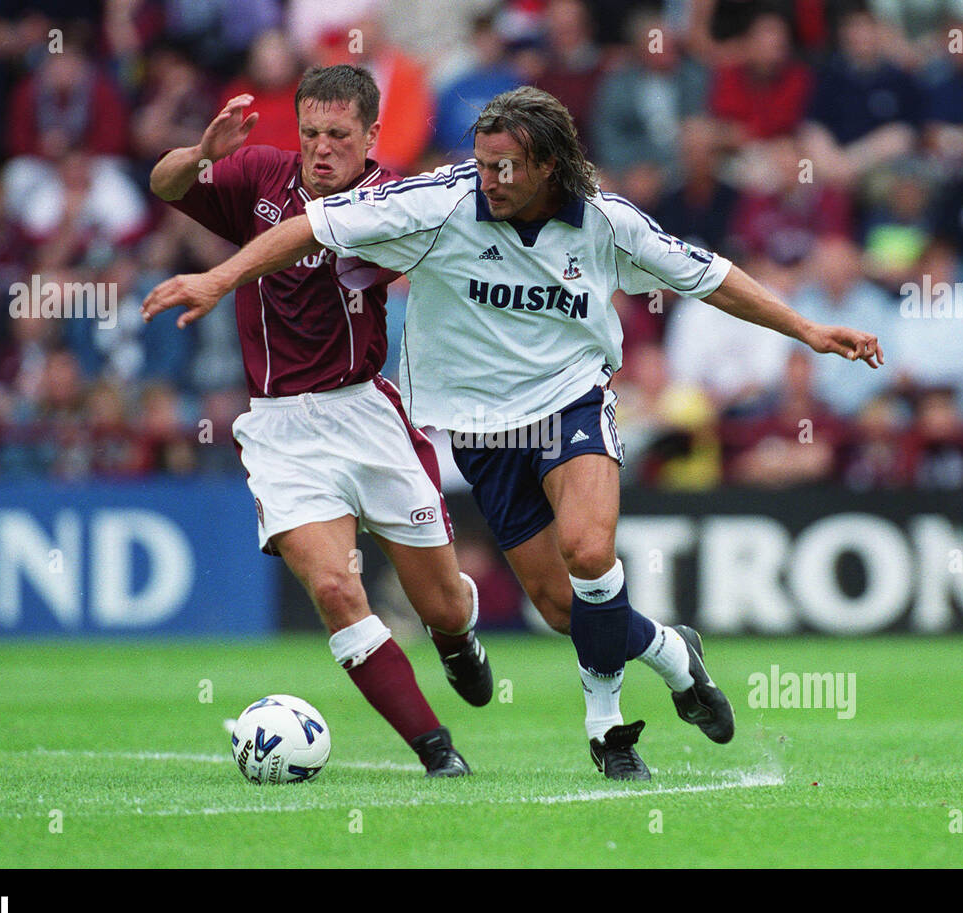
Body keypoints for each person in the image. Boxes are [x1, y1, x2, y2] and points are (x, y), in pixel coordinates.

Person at [142, 86, 883, 780]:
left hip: (571, 401)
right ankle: (671, 651)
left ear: (547, 166)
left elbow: (710, 274)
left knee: (591, 552)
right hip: (480, 428)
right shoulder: (438, 203)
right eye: (483, 160)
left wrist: (808, 328)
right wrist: (219, 279)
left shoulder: (606, 221)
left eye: (505, 166)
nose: (488, 177)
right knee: (563, 607)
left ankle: (604, 725)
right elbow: (312, 225)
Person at [148, 64, 491, 778]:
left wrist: (219, 277)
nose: (321, 147)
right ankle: (436, 752)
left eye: (338, 134)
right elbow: (163, 185)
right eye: (309, 133)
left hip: (367, 413)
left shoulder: (392, 199)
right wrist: (202, 156)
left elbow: (311, 237)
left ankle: (458, 639)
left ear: (371, 135)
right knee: (336, 590)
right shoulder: (261, 177)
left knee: (444, 603)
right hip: (280, 429)